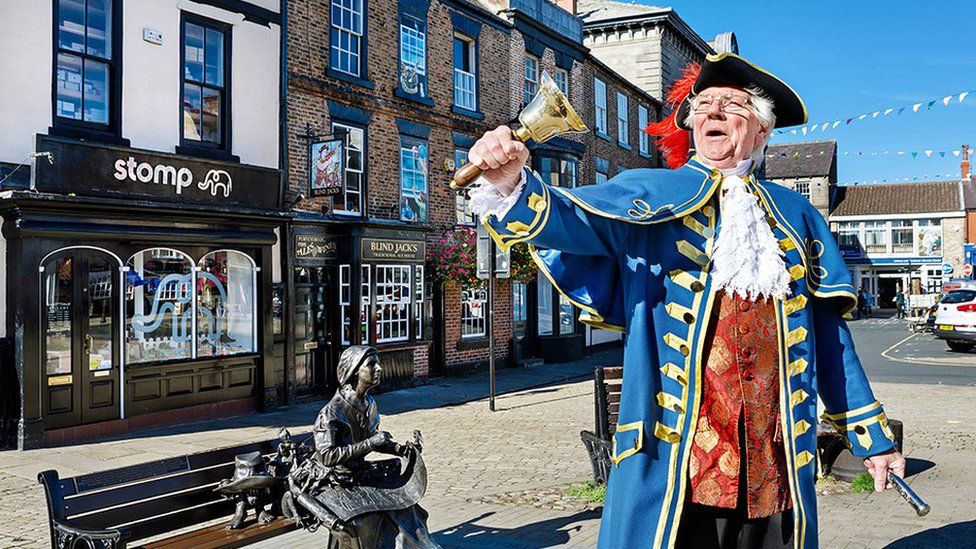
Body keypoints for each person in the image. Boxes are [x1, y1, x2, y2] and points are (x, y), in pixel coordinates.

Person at [467, 53, 905, 549]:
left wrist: (874, 438)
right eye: (703, 105)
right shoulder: (649, 192)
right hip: (675, 463)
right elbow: (573, 220)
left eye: (731, 105)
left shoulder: (798, 215)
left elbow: (829, 339)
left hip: (775, 459)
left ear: (762, 130)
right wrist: (509, 184)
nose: (712, 112)